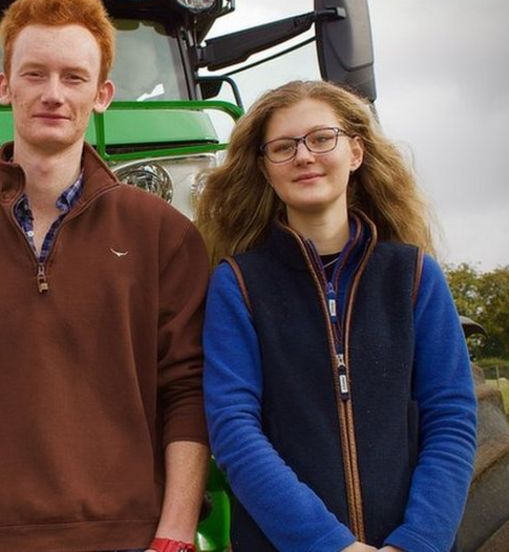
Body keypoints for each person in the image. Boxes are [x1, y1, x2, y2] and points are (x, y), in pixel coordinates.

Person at [0, 0, 210, 552]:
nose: (53, 94)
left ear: (102, 94)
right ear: (5, 86)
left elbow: (187, 388)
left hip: (129, 540)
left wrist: (176, 535)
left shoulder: (164, 234)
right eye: (34, 74)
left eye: (73, 77)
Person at [197, 80, 478, 552]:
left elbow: (450, 417)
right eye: (283, 147)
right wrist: (330, 545)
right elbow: (234, 429)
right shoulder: (238, 285)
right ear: (266, 170)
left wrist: (418, 541)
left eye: (322, 138)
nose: (304, 156)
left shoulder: (413, 277)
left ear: (356, 152)